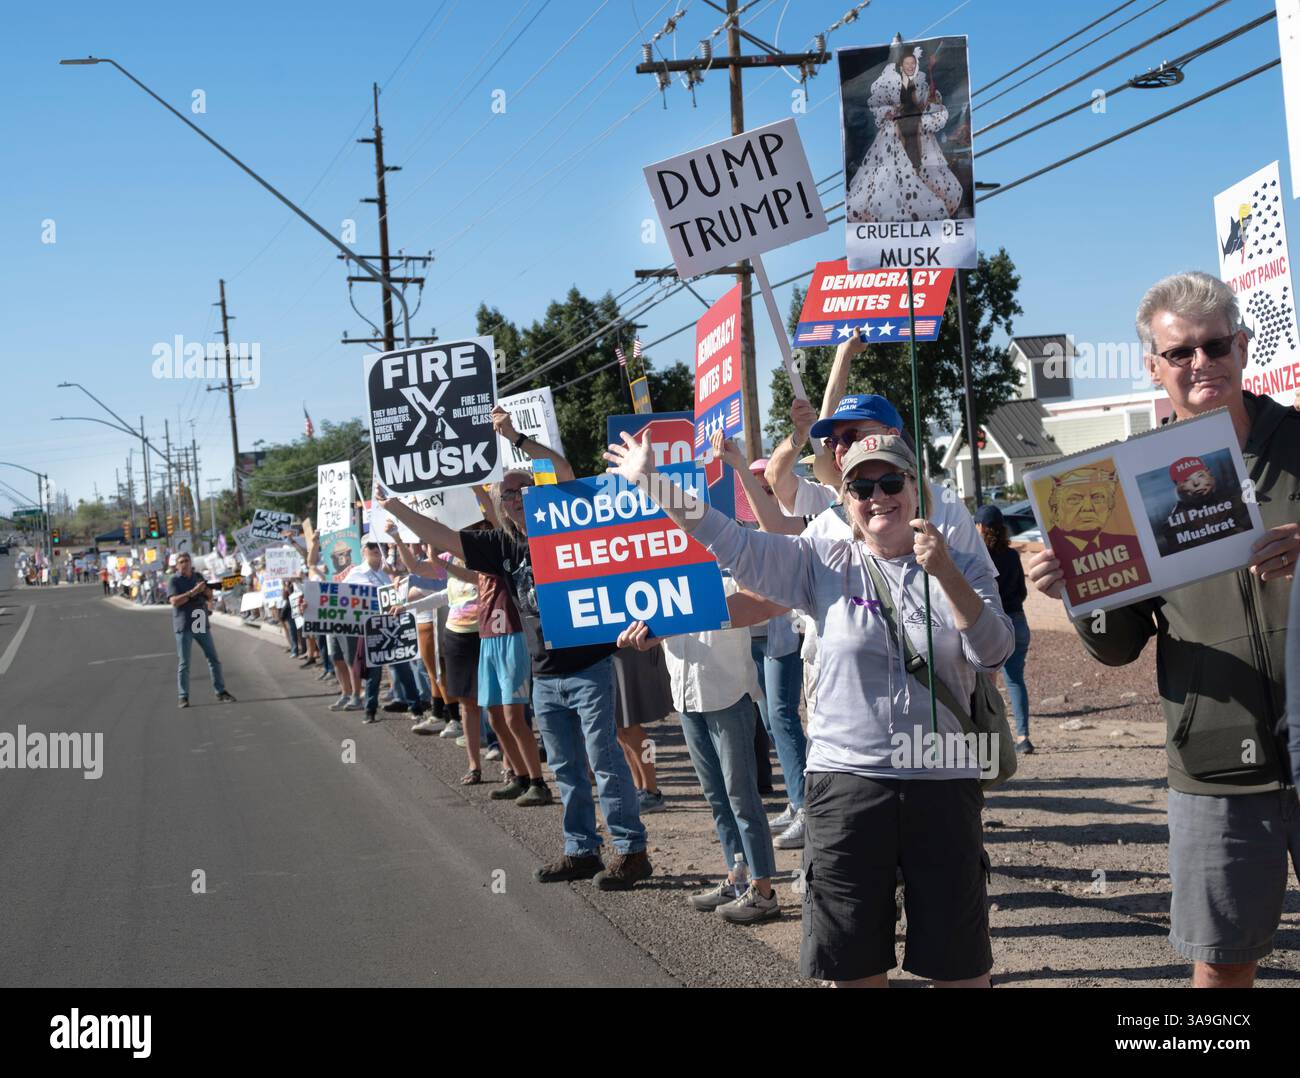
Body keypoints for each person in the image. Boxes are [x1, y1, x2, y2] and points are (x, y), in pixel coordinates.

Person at [607, 429, 1012, 987]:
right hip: (846, 784)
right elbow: (736, 546)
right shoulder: (822, 555)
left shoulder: (958, 556)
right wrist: (655, 483)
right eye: (861, 486)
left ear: (916, 489)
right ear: (844, 499)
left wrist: (944, 572)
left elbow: (993, 651)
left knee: (960, 971)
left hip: (942, 780)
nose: (878, 496)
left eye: (891, 481)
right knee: (850, 970)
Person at [1028, 270, 1300, 989]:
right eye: (1180, 353)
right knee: (1223, 961)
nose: (1201, 364)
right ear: (1153, 366)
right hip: (1215, 758)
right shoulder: (1124, 482)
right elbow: (1118, 647)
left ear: (1243, 347)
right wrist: (1079, 593)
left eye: (1215, 346)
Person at [383, 406, 651, 891]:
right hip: (545, 674)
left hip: (589, 665)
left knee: (605, 761)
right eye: (507, 493)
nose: (515, 498)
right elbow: (447, 539)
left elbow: (566, 472)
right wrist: (395, 509)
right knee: (566, 766)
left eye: (523, 489)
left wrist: (515, 437)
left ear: (538, 491)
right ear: (501, 504)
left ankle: (631, 852)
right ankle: (581, 850)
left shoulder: (570, 521)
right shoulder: (503, 546)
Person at [617, 577, 780, 924]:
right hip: (686, 691)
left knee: (741, 796)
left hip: (727, 690)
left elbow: (759, 605)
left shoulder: (727, 552)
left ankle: (764, 890)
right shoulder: (656, 565)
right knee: (716, 796)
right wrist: (644, 633)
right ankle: (738, 877)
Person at [845, 43, 962, 225]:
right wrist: (890, 112)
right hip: (896, 131)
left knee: (920, 165)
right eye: (907, 64)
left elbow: (932, 108)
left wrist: (930, 103)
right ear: (901, 66)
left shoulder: (921, 83)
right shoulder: (890, 81)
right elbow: (878, 105)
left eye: (912, 64)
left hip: (917, 130)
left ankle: (921, 208)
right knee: (892, 169)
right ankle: (893, 208)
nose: (910, 67)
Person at [341, 542, 429, 726]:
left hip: (392, 627)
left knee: (403, 668)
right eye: (370, 546)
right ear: (363, 551)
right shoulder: (356, 573)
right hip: (372, 628)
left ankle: (416, 708)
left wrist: (395, 576)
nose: (375, 549)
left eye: (377, 546)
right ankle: (370, 710)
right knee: (374, 673)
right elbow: (342, 599)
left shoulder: (386, 572)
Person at [975, 504, 1032, 753]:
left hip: (992, 623)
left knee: (987, 685)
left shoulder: (978, 557)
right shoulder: (1012, 555)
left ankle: (992, 739)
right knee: (1015, 681)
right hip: (1018, 621)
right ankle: (1023, 737)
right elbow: (1022, 591)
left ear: (980, 527)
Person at [168, 552, 236, 709]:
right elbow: (174, 601)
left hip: (199, 620)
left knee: (213, 658)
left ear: (191, 562)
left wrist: (206, 592)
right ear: (177, 565)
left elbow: (209, 596)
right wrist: (193, 592)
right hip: (184, 623)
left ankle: (220, 691)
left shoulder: (198, 576)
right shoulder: (174, 580)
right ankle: (183, 696)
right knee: (184, 662)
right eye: (181, 562)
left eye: (186, 561)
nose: (184, 564)